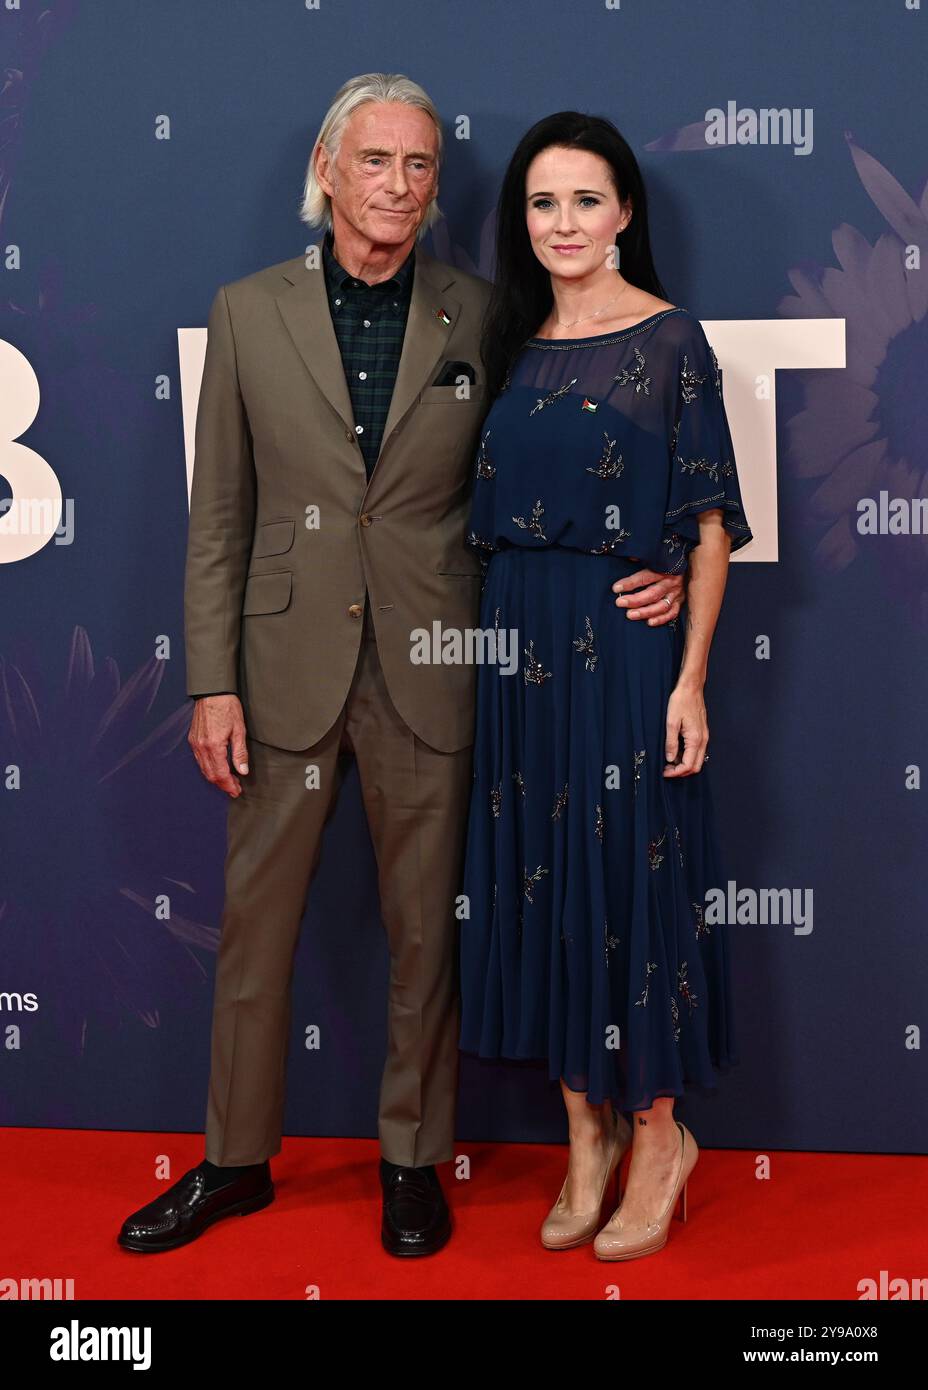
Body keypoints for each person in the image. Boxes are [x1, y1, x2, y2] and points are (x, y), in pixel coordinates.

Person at [118, 76, 685, 1259]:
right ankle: (231, 1162)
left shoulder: (485, 314)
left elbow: (574, 448)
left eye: (421, 166)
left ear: (438, 187)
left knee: (428, 933)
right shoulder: (245, 310)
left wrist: (665, 556)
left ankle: (415, 1162)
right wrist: (209, 680)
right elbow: (218, 511)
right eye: (375, 161)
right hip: (278, 667)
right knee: (255, 929)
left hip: (439, 662)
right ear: (326, 168)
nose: (398, 186)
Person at [458, 111, 753, 1261]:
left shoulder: (672, 340)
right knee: (538, 881)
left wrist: (690, 681)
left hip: (623, 646)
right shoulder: (511, 338)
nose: (564, 223)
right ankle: (584, 1137)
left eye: (586, 199)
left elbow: (712, 524)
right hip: (514, 646)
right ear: (520, 220)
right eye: (542, 202)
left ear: (625, 210)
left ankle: (660, 1133)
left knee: (631, 882)